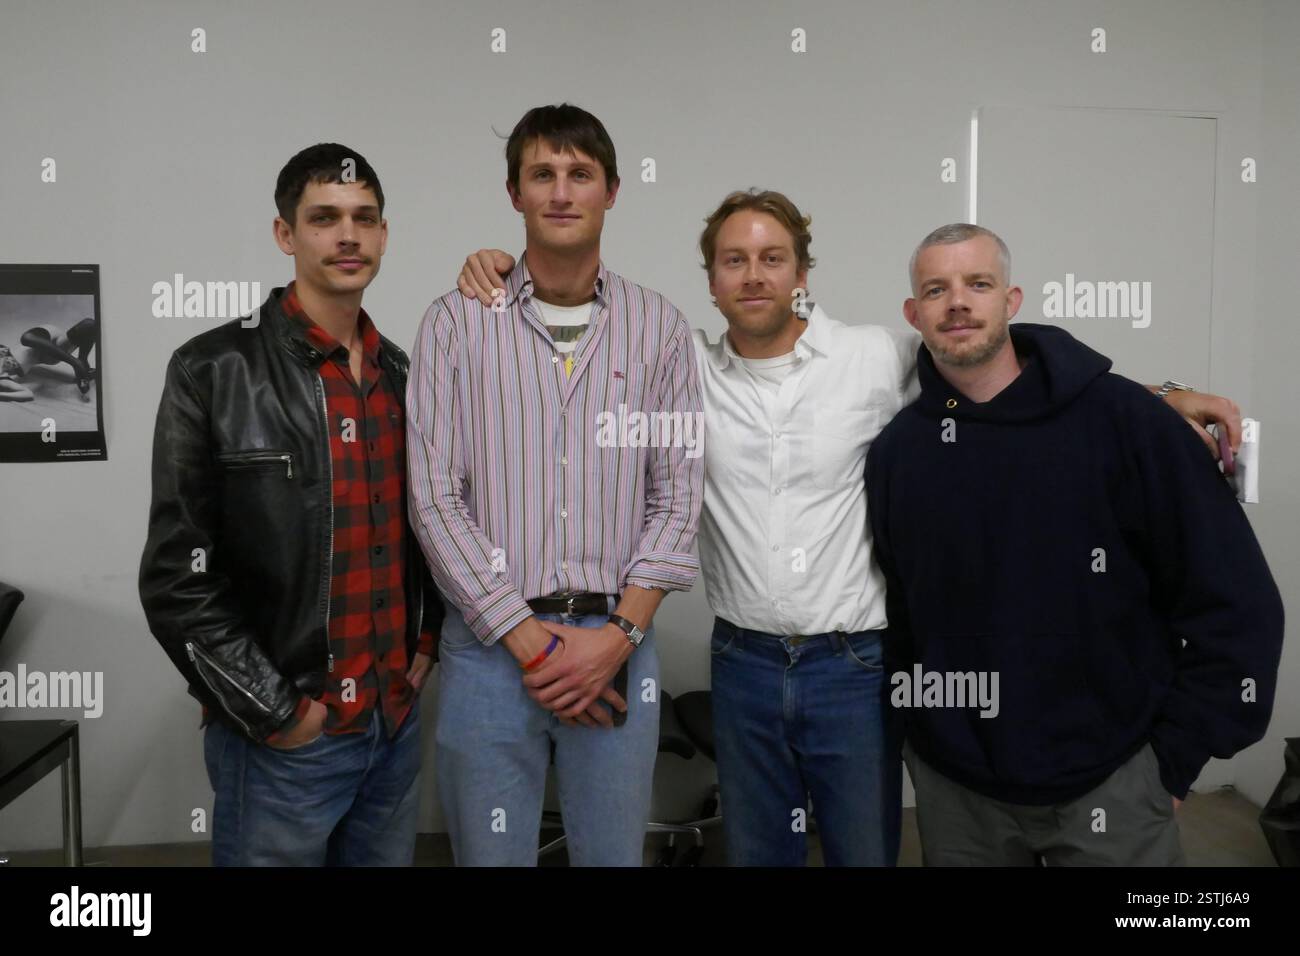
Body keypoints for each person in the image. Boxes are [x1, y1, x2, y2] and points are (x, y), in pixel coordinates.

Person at [453, 197, 1244, 866]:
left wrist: (1158, 395)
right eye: (733, 261)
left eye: (772, 258)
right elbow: (572, 342)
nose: (754, 275)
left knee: (864, 853)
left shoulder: (874, 358)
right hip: (743, 665)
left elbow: (1001, 370)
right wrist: (506, 267)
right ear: (712, 283)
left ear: (803, 276)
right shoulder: (677, 368)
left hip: (855, 669)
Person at [865, 223, 1284, 865]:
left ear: (1012, 300)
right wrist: (917, 741)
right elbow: (902, 615)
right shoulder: (899, 452)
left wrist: (1174, 761)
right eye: (935, 289)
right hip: (957, 794)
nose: (957, 302)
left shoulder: (1127, 423)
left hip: (1115, 781)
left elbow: (1236, 600)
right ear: (912, 313)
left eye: (978, 283)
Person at [407, 104, 705, 867]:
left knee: (611, 858)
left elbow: (675, 498)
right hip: (488, 653)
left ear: (612, 191)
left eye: (581, 174)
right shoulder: (455, 324)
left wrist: (618, 640)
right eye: (543, 173)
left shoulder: (660, 329)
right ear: (515, 193)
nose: (563, 191)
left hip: (617, 647)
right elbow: (436, 499)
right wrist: (531, 644)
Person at [139, 143, 443, 866]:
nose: (348, 235)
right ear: (286, 235)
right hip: (286, 739)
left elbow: (430, 524)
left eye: (365, 218)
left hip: (391, 726)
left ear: (384, 235)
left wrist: (425, 644)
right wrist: (277, 712)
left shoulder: (405, 373)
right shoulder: (213, 369)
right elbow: (177, 578)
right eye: (324, 218)